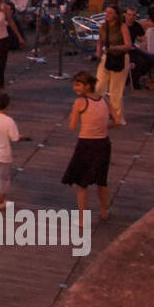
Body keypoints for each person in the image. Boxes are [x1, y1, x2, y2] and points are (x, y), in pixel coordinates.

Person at [62, 71, 120, 222]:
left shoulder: (80, 103)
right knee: (102, 180)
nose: (75, 88)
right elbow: (117, 120)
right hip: (103, 143)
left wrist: (73, 116)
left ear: (88, 86)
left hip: (86, 143)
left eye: (78, 85)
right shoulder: (104, 99)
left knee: (82, 184)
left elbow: (72, 126)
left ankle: (82, 218)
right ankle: (104, 210)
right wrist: (104, 126)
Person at [95, 5, 131, 124]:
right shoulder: (103, 26)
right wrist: (98, 52)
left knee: (116, 90)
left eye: (110, 13)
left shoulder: (122, 27)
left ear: (116, 15)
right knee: (98, 87)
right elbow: (100, 40)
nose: (107, 15)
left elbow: (128, 45)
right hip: (107, 57)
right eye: (107, 12)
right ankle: (101, 112)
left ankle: (118, 117)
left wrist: (115, 47)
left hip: (120, 58)